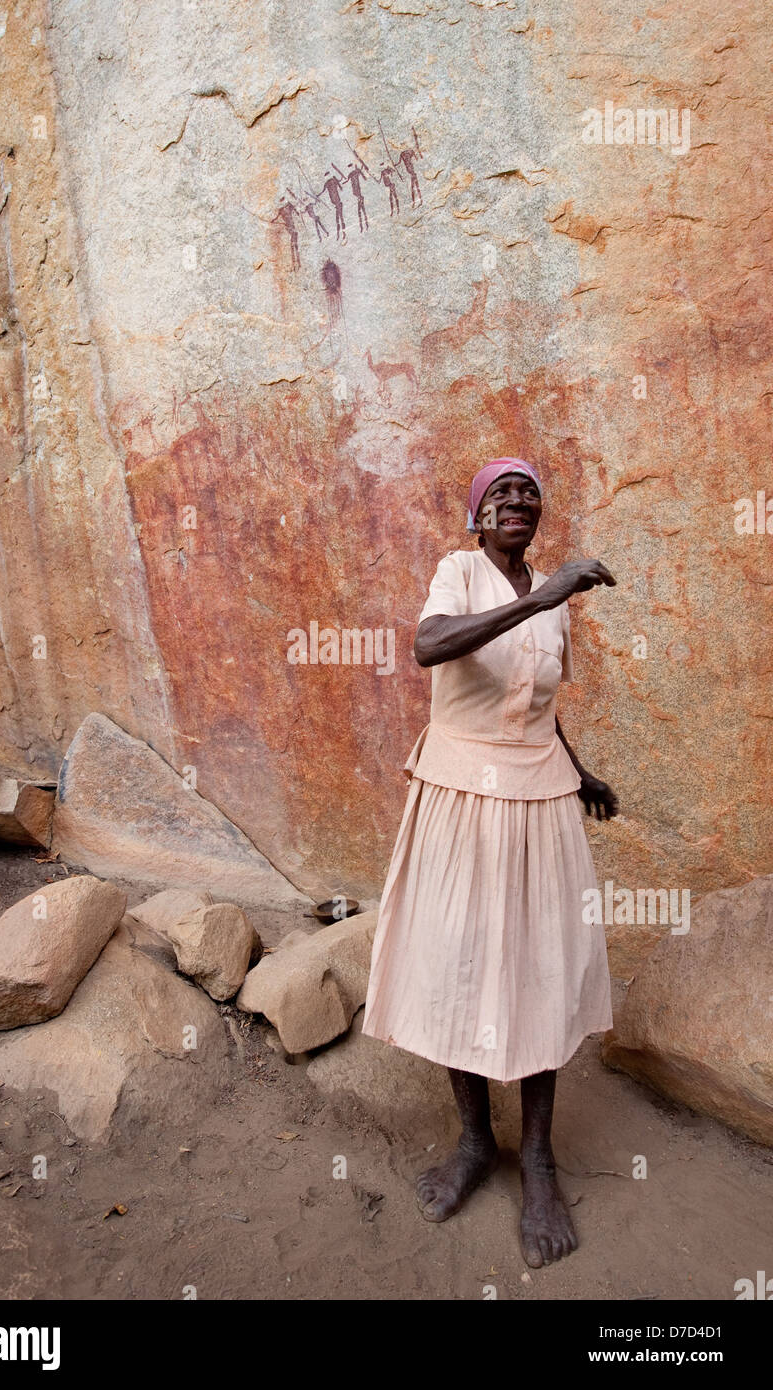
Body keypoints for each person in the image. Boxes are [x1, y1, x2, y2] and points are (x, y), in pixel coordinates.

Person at [362, 457, 618, 1267]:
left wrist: (580, 775)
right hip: (460, 795)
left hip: (539, 800)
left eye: (529, 493)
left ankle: (537, 1161)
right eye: (500, 494)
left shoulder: (551, 602)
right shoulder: (459, 573)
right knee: (458, 964)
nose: (518, 501)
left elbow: (539, 708)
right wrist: (545, 596)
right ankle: (475, 1143)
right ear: (476, 517)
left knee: (539, 967)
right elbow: (427, 647)